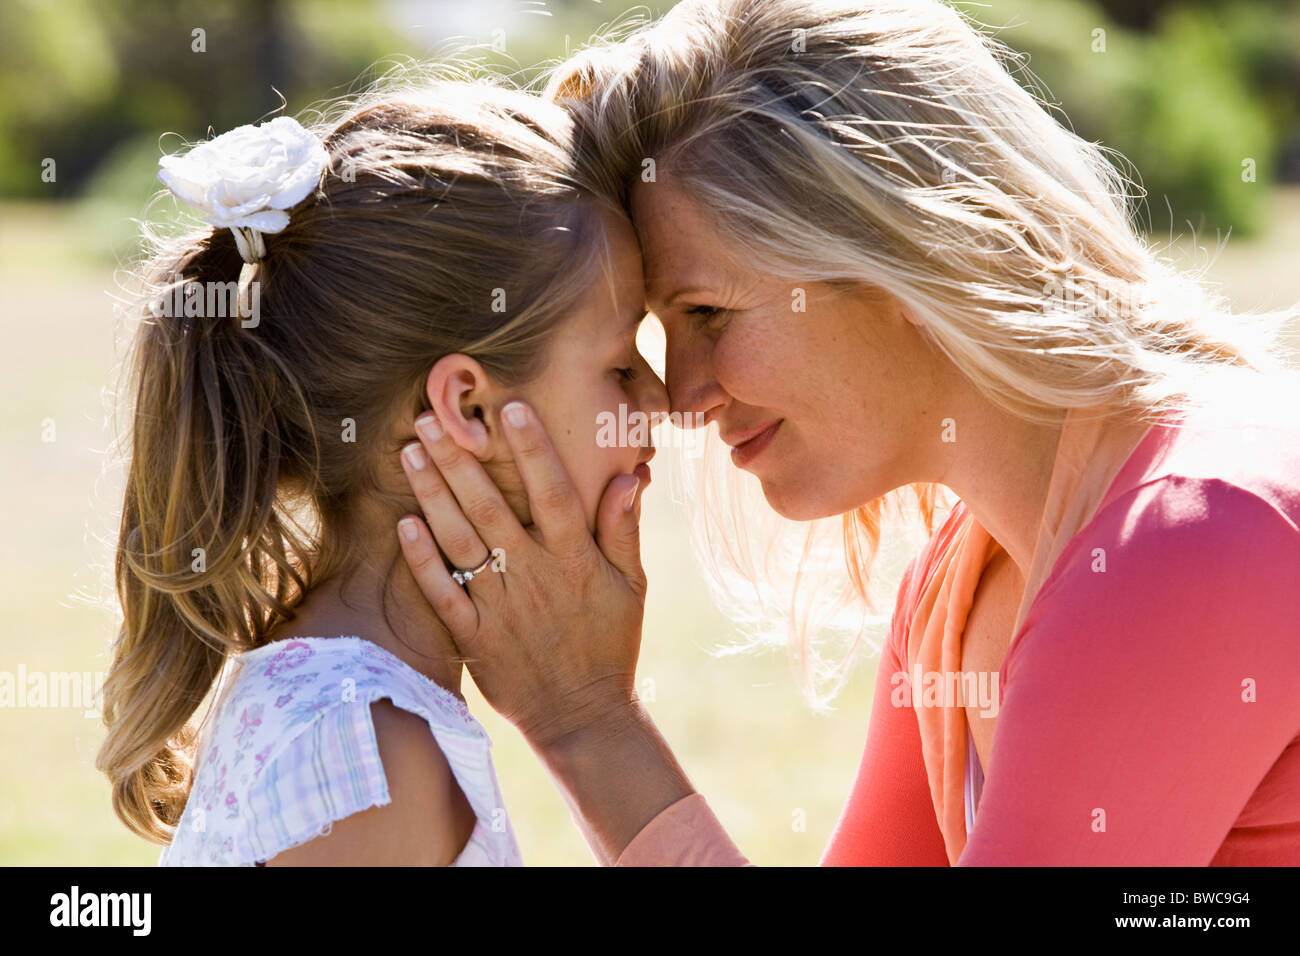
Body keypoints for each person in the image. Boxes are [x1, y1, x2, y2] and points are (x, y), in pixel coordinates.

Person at [394, 0, 1300, 865]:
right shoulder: (958, 585)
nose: (682, 398)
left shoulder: (1194, 535)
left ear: (903, 250)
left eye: (708, 312)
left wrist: (587, 721)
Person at [96, 72, 666, 865]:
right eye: (620, 363)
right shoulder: (372, 760)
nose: (663, 401)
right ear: (467, 408)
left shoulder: (337, 698)